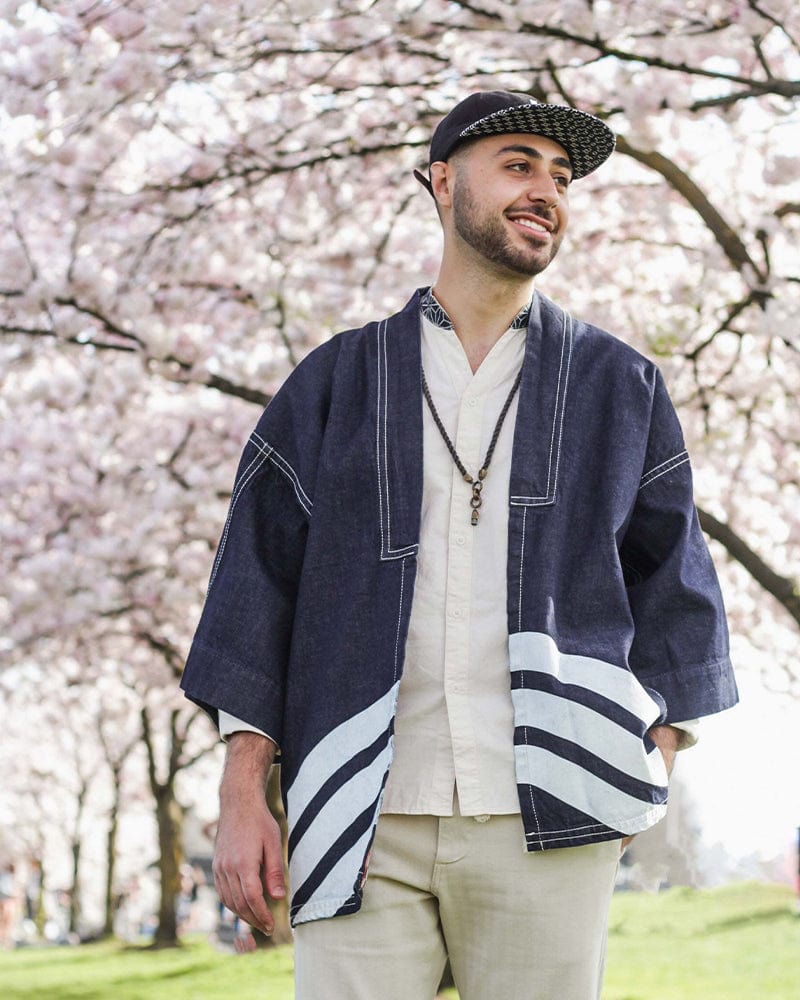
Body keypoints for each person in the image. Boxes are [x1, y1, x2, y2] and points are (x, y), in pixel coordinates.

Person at [181, 91, 738, 999]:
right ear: (442, 183)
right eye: (517, 165)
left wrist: (649, 764)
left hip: (556, 807)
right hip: (360, 806)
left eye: (560, 177)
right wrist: (242, 794)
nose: (545, 190)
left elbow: (680, 594)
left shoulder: (619, 385)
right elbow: (257, 587)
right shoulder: (334, 383)